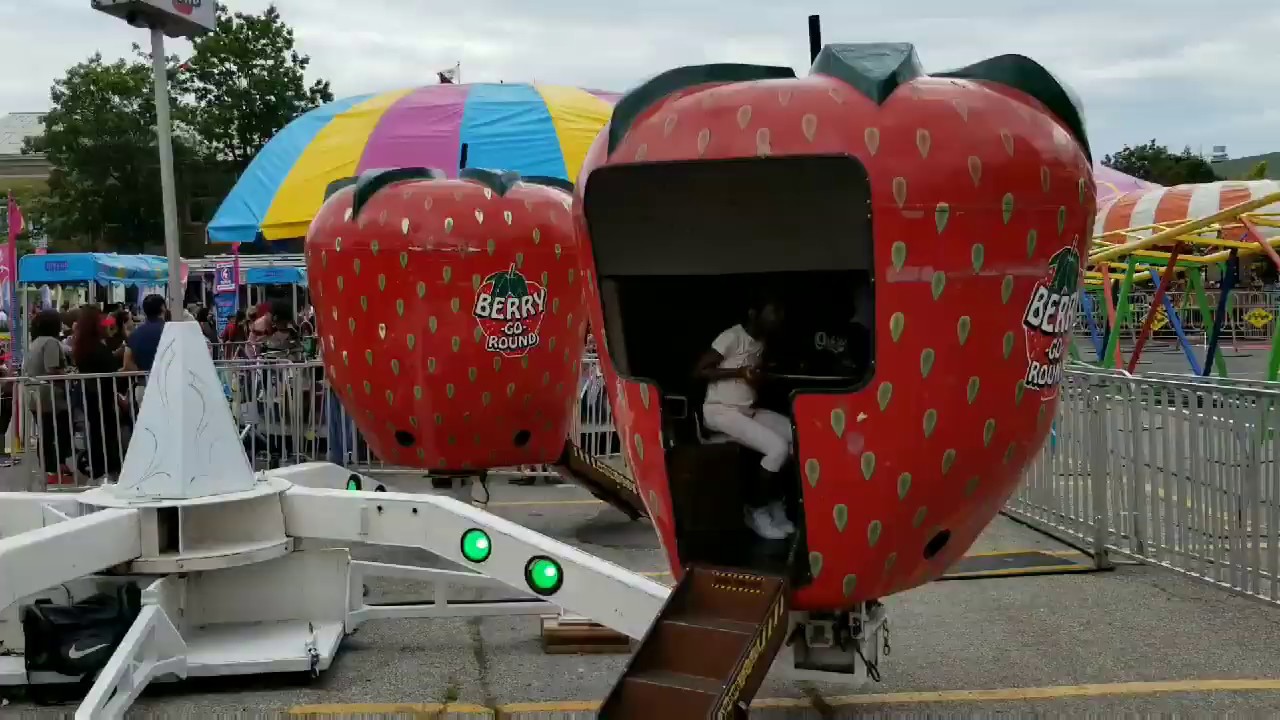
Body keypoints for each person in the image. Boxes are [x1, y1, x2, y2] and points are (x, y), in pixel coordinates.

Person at [694, 296, 795, 540]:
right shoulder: (731, 337)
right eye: (773, 312)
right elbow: (700, 371)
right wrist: (738, 372)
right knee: (778, 448)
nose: (777, 319)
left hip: (746, 409)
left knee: (796, 437)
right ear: (754, 313)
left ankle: (774, 504)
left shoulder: (761, 342)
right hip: (720, 411)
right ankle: (755, 510)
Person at [71, 306, 125, 479]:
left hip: (92, 393)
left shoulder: (83, 346)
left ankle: (100, 467)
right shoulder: (96, 348)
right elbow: (109, 367)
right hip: (101, 394)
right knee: (105, 431)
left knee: (97, 430)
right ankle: (106, 467)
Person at [22, 309, 74, 485]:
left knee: (45, 434)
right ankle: (54, 469)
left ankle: (52, 468)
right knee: (58, 433)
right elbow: (52, 368)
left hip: (35, 395)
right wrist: (69, 374)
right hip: (50, 397)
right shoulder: (51, 342)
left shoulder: (35, 342)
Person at [124, 294, 167, 373]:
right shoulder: (169, 330)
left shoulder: (135, 334)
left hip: (144, 381)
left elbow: (127, 364)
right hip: (167, 379)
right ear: (163, 308)